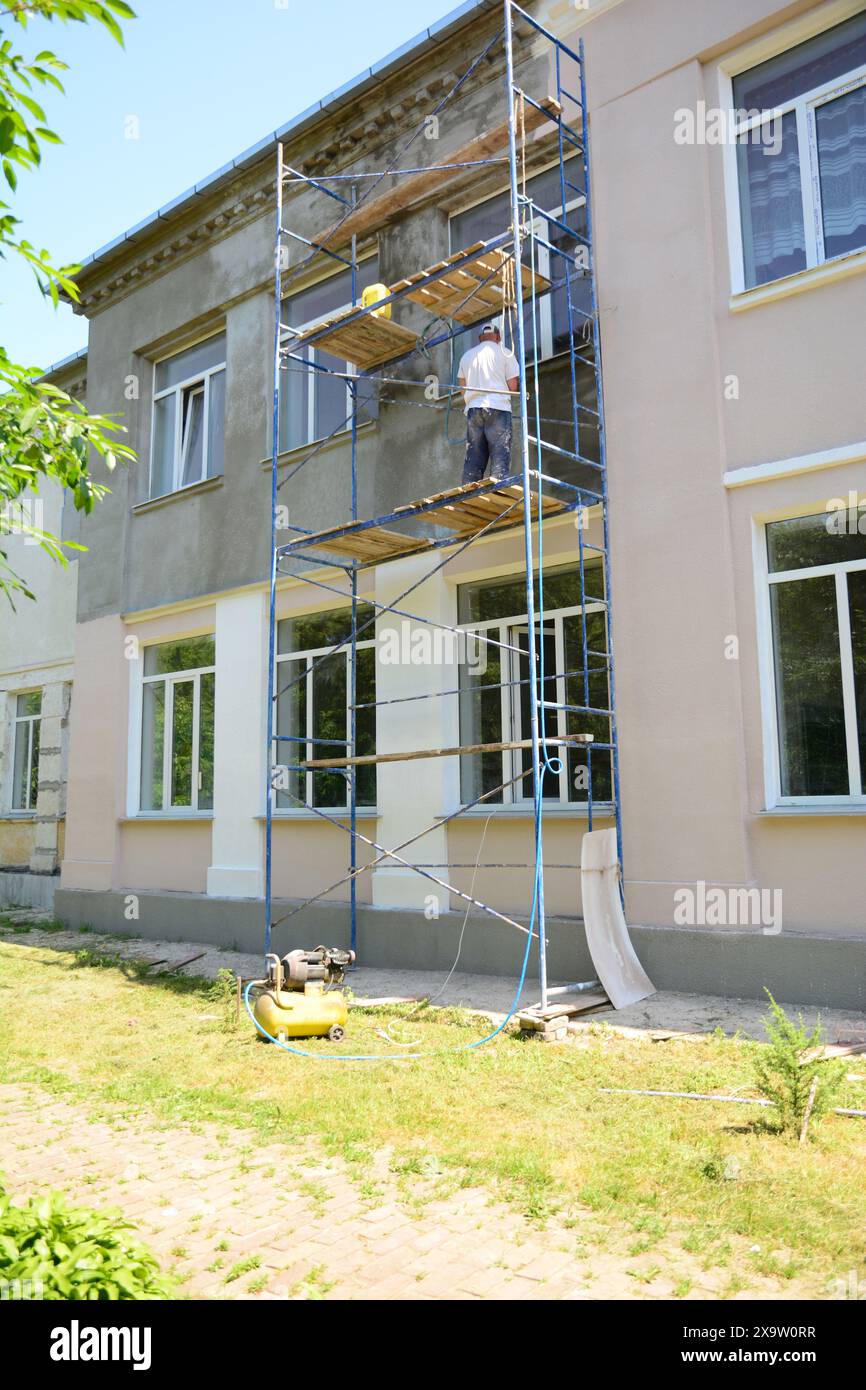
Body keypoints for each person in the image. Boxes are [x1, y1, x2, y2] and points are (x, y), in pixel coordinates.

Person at [457, 323, 519, 485]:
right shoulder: (505, 353)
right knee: (499, 453)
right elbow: (513, 386)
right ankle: (497, 489)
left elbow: (462, 388)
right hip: (498, 407)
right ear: (498, 337)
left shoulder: (467, 356)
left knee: (474, 455)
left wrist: (473, 398)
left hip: (474, 410)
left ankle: (468, 492)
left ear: (479, 339)